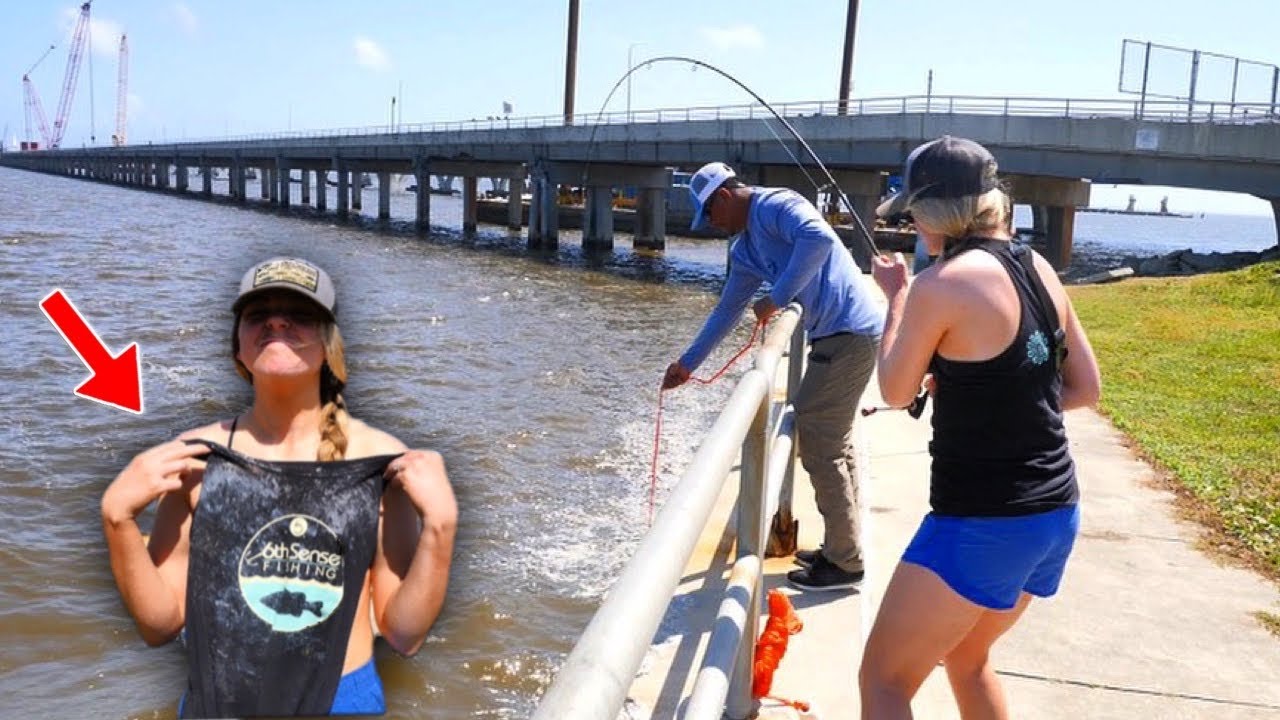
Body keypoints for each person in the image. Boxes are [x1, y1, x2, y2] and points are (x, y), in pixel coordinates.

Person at [101, 257, 457, 718]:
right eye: (257, 315)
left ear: (329, 345)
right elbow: (160, 625)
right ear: (239, 348)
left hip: (339, 705)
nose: (275, 321)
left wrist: (441, 528)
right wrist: (117, 518)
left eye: (300, 314)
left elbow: (404, 634)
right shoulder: (197, 459)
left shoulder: (381, 464)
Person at [859, 136, 1101, 718]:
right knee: (968, 658)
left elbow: (894, 390)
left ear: (935, 211)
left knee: (884, 680)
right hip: (1054, 514)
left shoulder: (939, 285)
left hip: (982, 523)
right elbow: (1083, 388)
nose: (912, 222)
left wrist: (896, 297)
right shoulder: (1038, 265)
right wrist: (984, 394)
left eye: (914, 210)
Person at [662, 161, 885, 592]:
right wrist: (688, 364)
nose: (710, 225)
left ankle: (845, 562)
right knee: (830, 441)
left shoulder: (777, 204)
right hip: (833, 336)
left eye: (709, 214)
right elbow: (726, 311)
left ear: (723, 198)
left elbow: (818, 239)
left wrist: (778, 296)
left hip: (851, 333)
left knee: (820, 443)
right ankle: (845, 545)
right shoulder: (744, 251)